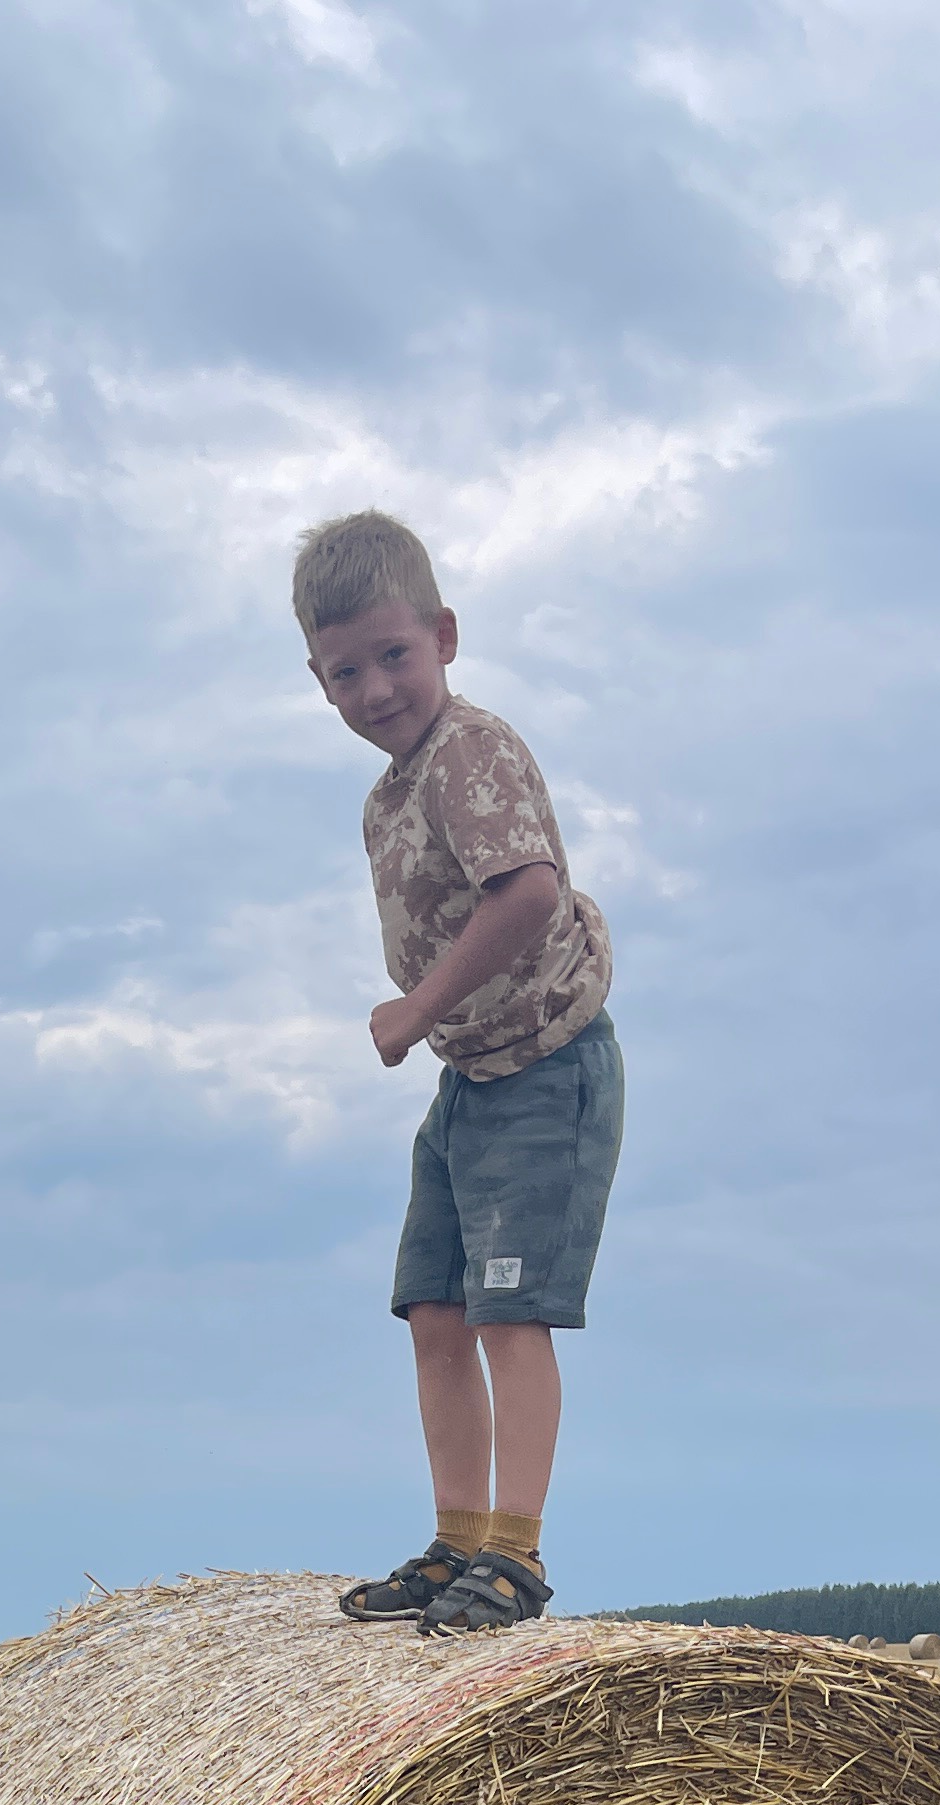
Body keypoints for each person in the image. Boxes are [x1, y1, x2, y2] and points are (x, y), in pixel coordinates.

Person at [298, 508, 624, 1639]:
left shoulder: (471, 750)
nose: (377, 687)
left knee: (506, 1314)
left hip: (544, 1067)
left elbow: (528, 889)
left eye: (394, 655)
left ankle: (517, 1556)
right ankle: (456, 1541)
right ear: (319, 681)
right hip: (470, 1084)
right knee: (432, 1307)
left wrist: (415, 1009)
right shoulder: (387, 794)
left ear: (443, 634)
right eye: (348, 671)